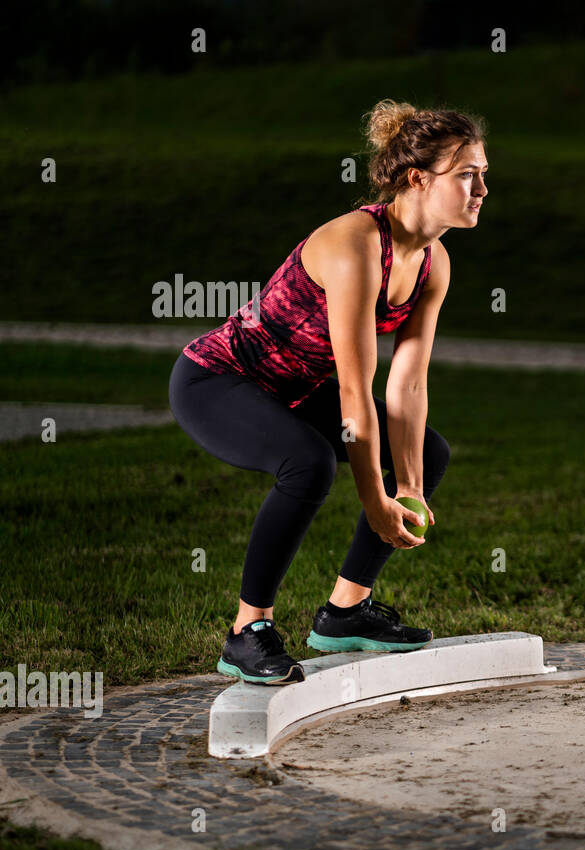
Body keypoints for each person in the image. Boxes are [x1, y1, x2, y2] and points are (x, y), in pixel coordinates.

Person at [167, 99, 488, 684]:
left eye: (484, 175)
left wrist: (408, 486)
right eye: (467, 175)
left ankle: (344, 611)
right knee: (309, 463)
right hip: (218, 380)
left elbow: (408, 383)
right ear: (418, 179)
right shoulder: (355, 246)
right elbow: (354, 389)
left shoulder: (433, 262)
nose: (482, 189)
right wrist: (373, 499)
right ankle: (247, 631)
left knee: (429, 452)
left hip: (292, 389)